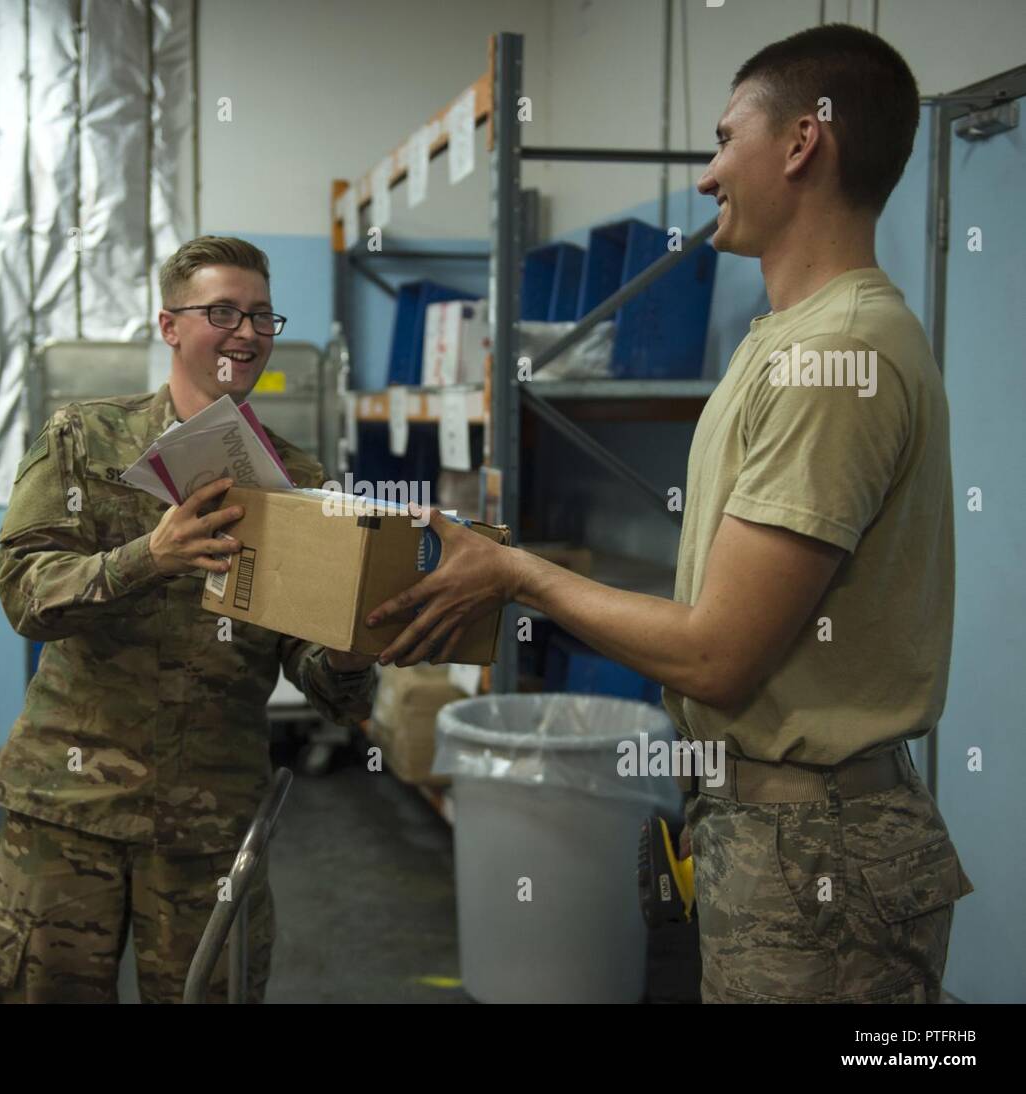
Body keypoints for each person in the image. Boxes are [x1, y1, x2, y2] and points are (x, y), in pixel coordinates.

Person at [367, 24, 972, 1004]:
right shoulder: (783, 341)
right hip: (768, 820)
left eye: (724, 139)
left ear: (801, 144)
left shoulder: (834, 359)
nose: (703, 176)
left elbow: (716, 652)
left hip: (817, 851)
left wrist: (518, 572)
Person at [0, 235, 377, 1003]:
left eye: (262, 315)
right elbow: (24, 594)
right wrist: (146, 557)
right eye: (222, 310)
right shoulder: (82, 440)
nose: (246, 332)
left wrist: (359, 650)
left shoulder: (298, 482)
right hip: (70, 807)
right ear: (169, 325)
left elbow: (323, 681)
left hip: (210, 820)